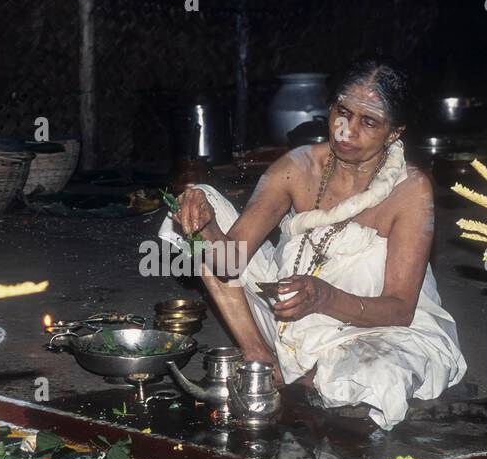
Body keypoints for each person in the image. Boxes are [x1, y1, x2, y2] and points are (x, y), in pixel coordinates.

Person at [160, 59, 466, 431]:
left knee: (378, 375)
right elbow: (228, 262)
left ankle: (313, 377)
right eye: (342, 111)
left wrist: (323, 298)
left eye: (368, 122)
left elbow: (400, 310)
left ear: (394, 132)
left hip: (373, 328)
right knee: (196, 198)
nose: (347, 132)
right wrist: (203, 224)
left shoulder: (410, 189)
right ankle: (261, 357)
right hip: (287, 319)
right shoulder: (295, 167)